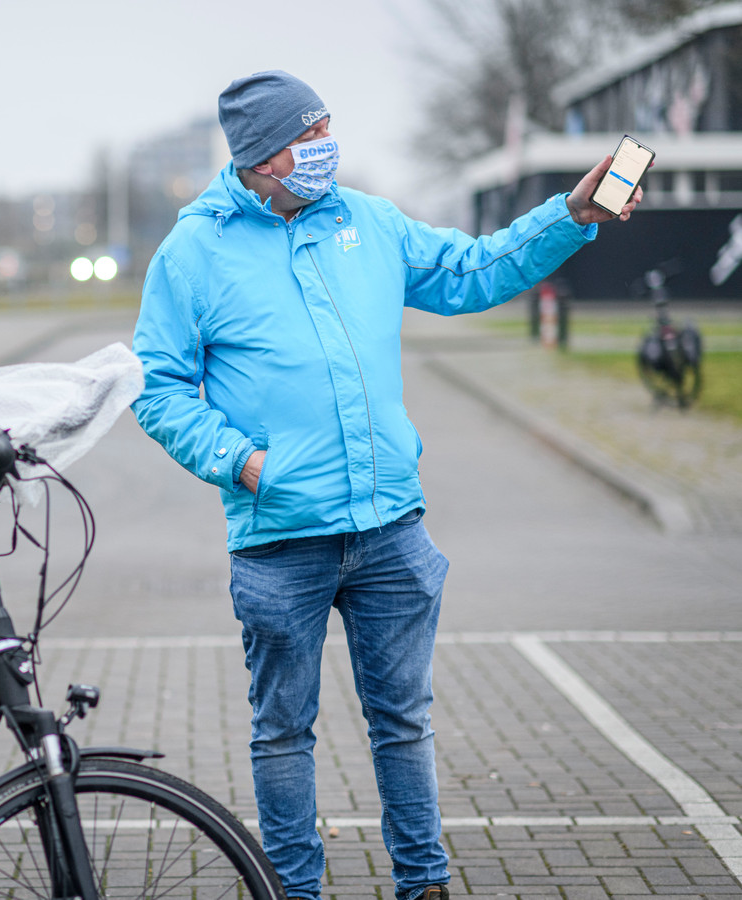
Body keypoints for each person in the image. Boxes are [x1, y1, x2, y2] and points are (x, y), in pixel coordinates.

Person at [130, 71, 641, 900]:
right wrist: (243, 463)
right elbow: (157, 388)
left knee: (403, 722)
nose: (326, 146)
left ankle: (422, 883)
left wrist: (572, 214)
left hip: (389, 530)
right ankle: (293, 890)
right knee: (281, 732)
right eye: (309, 134)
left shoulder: (367, 222)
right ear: (262, 156)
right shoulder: (193, 252)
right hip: (278, 538)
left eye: (327, 126)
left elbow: (472, 271)